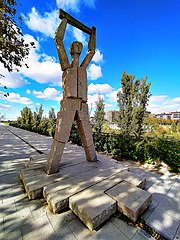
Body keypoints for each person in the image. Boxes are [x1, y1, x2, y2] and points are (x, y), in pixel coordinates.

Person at [46, 18, 97, 175]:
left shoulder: (83, 68)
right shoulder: (66, 66)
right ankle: (52, 167)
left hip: (82, 104)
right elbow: (58, 41)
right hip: (68, 103)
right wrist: (65, 22)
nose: (77, 47)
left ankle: (92, 158)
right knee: (61, 136)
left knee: (88, 138)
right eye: (75, 45)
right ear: (71, 49)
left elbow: (92, 51)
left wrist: (92, 36)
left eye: (79, 46)